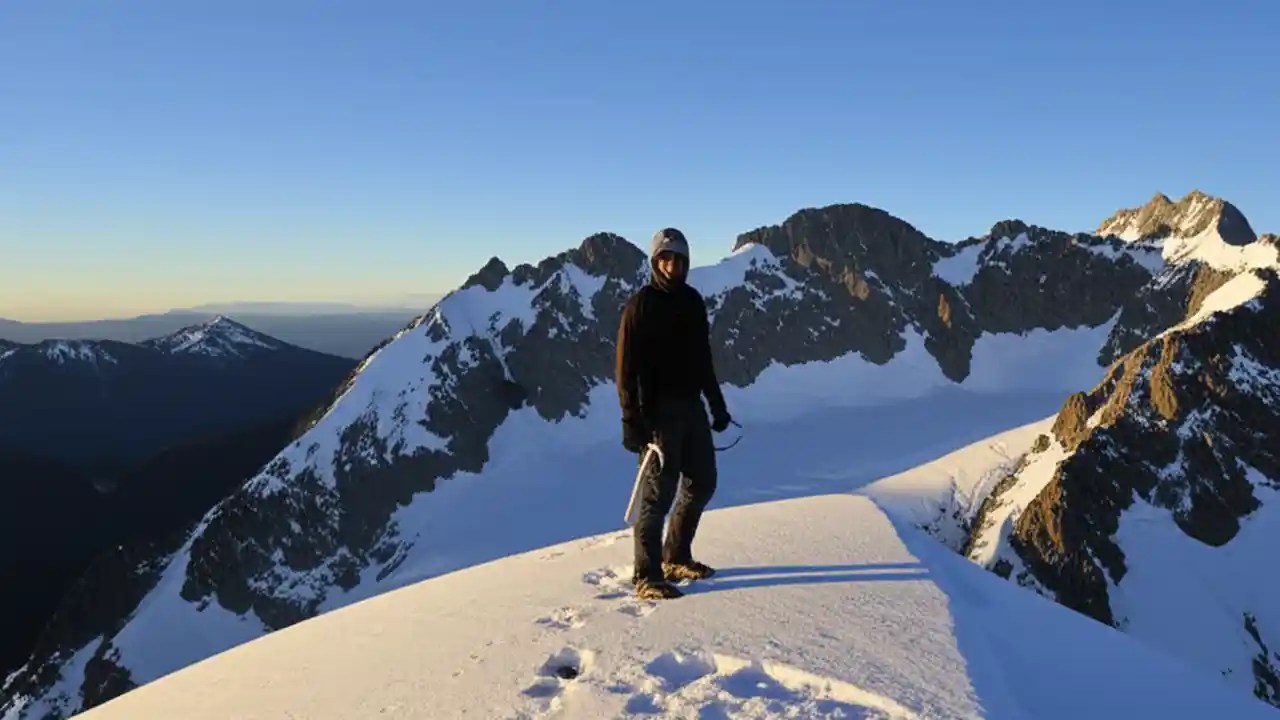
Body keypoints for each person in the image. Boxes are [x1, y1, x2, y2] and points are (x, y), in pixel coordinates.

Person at [615, 227, 733, 600]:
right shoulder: (641, 305)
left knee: (703, 481)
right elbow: (625, 369)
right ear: (655, 262)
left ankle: (675, 556)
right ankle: (646, 575)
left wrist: (716, 403)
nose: (672, 265)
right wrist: (632, 421)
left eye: (678, 259)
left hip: (690, 407)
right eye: (665, 258)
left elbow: (702, 358)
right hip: (658, 414)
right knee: (657, 496)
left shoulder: (693, 302)